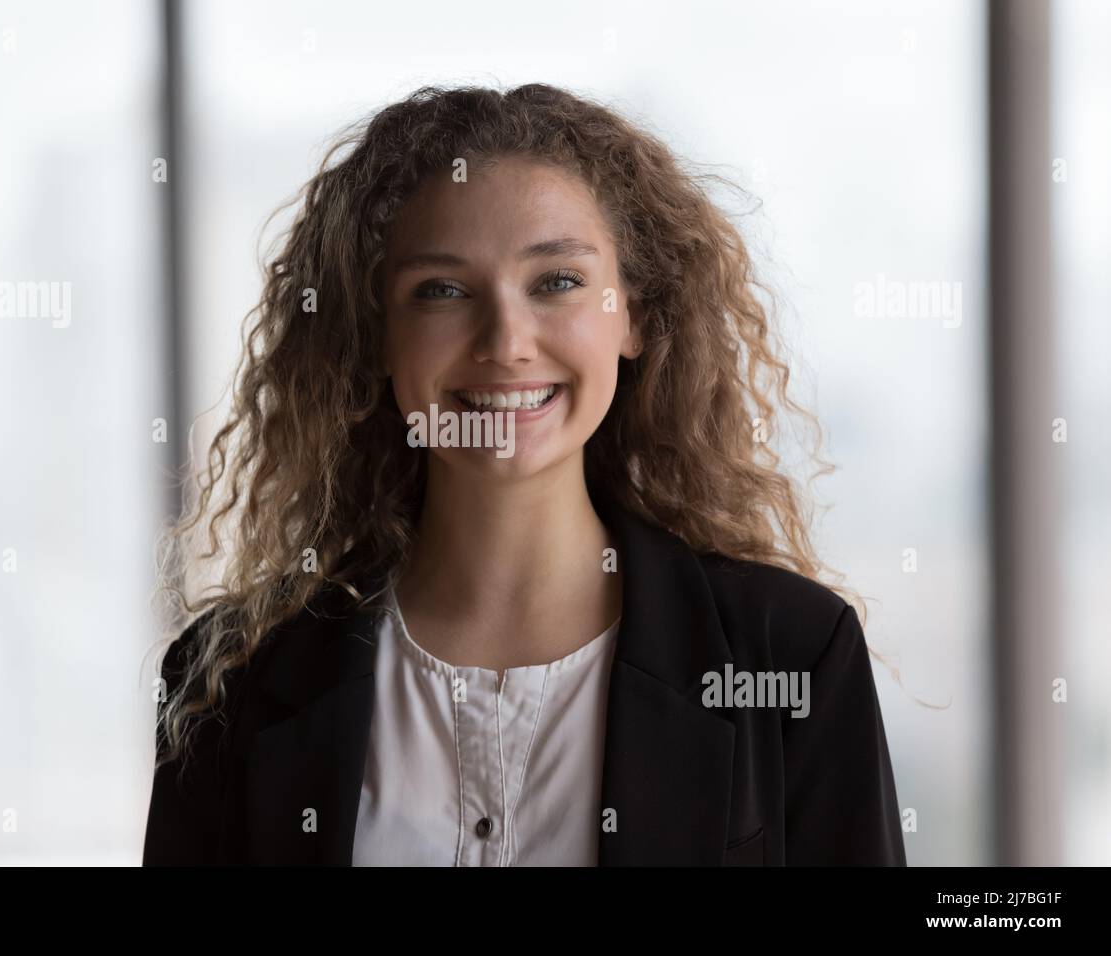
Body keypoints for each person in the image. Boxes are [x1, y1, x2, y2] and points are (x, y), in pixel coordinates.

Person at [141, 83, 907, 866]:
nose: (506, 340)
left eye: (557, 282)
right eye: (441, 291)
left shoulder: (792, 655)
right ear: (375, 335)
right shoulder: (232, 679)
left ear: (635, 316)